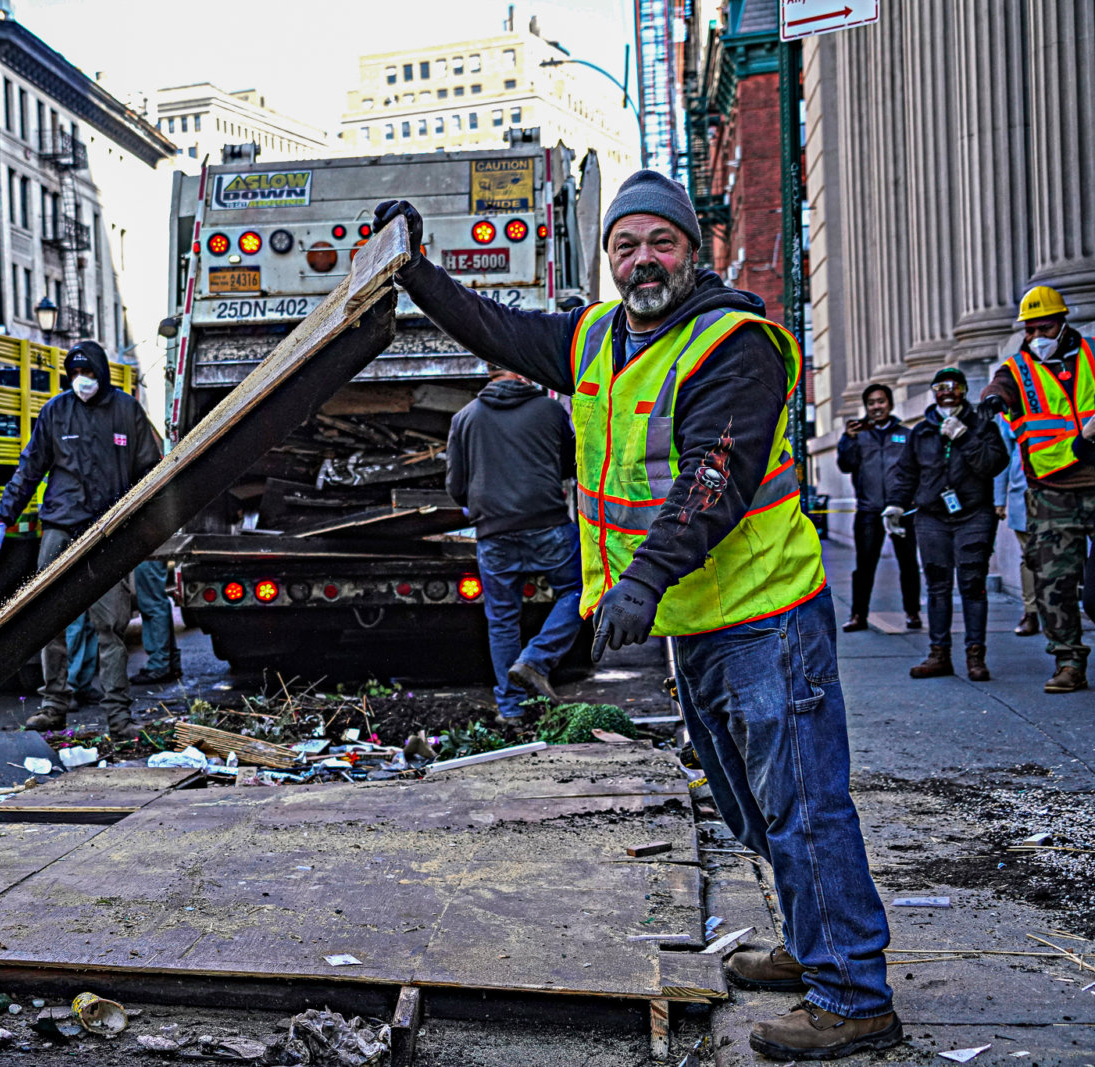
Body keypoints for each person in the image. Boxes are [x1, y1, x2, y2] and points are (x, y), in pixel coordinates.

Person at [376, 171, 899, 1061]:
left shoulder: (734, 345)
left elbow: (713, 476)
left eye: (662, 241)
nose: (642, 260)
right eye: (626, 245)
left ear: (693, 251)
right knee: (750, 804)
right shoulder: (595, 338)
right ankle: (813, 943)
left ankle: (853, 992)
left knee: (803, 803)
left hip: (766, 614)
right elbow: (492, 326)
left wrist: (643, 580)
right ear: (608, 258)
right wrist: (415, 268)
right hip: (699, 620)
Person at [0, 340, 160, 737]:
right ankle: (53, 706)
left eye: (89, 373)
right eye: (76, 374)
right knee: (50, 619)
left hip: (108, 532)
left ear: (103, 374)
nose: (82, 381)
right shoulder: (56, 411)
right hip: (61, 528)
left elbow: (150, 472)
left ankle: (118, 717)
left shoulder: (127, 411)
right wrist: (2, 519)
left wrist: (143, 528)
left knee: (111, 626)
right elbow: (30, 468)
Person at [445, 363, 582, 718]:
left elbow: (456, 488)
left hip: (493, 534)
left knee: (503, 620)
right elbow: (570, 465)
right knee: (580, 590)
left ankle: (510, 708)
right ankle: (536, 658)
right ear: (523, 372)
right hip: (547, 524)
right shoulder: (550, 409)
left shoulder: (464, 417)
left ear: (488, 373)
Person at [980, 285, 1095, 694]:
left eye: (1043, 328)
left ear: (1063, 323)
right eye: (1029, 330)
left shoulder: (1092, 354)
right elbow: (998, 386)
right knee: (1052, 580)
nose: (1035, 337)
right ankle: (1068, 662)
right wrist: (992, 400)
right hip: (1050, 490)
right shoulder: (1017, 368)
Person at [884, 369, 1007, 681]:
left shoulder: (982, 425)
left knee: (972, 584)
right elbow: (906, 473)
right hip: (932, 516)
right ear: (933, 392)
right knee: (937, 585)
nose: (947, 392)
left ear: (964, 391)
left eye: (954, 386)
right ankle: (938, 654)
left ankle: (976, 656)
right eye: (940, 387)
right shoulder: (921, 432)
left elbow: (993, 464)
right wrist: (896, 505)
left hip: (974, 514)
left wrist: (964, 437)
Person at [835, 384, 921, 632]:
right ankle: (858, 615)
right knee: (864, 566)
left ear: (890, 404)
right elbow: (846, 465)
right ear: (866, 407)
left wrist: (911, 500)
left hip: (901, 510)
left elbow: (916, 469)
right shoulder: (857, 435)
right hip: (869, 510)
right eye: (871, 403)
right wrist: (848, 439)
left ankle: (913, 612)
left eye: (881, 401)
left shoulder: (906, 435)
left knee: (908, 563)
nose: (876, 407)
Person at [993, 417, 1040, 636]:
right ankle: (1031, 612)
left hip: (1065, 489)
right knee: (1029, 556)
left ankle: (1062, 615)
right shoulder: (1008, 412)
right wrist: (999, 499)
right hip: (1024, 493)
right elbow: (1003, 458)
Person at [130, 558, 181, 685]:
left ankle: (160, 665)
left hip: (146, 554)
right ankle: (169, 663)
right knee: (157, 602)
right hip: (151, 555)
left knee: (152, 604)